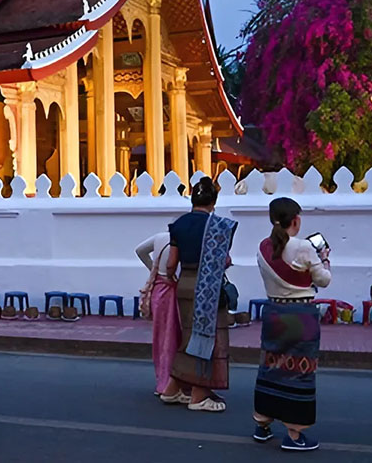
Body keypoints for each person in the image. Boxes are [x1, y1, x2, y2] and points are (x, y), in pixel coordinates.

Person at [252, 197, 332, 452]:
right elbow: (324, 280)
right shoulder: (304, 247)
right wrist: (325, 260)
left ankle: (262, 423)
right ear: (296, 220)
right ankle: (294, 433)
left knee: (271, 366)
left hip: (273, 313)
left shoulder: (262, 247)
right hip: (300, 315)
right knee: (298, 370)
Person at [158, 176, 237, 412]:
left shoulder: (179, 225)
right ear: (213, 202)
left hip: (185, 283)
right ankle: (199, 395)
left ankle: (172, 389)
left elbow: (171, 263)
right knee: (207, 338)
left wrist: (173, 279)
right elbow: (223, 261)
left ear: (192, 199)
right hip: (209, 287)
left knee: (189, 337)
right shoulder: (219, 227)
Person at [137, 231, 183, 396]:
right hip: (174, 291)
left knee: (161, 339)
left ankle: (162, 380)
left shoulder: (159, 237)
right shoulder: (182, 240)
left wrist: (153, 269)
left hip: (159, 290)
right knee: (176, 338)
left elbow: (140, 250)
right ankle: (173, 383)